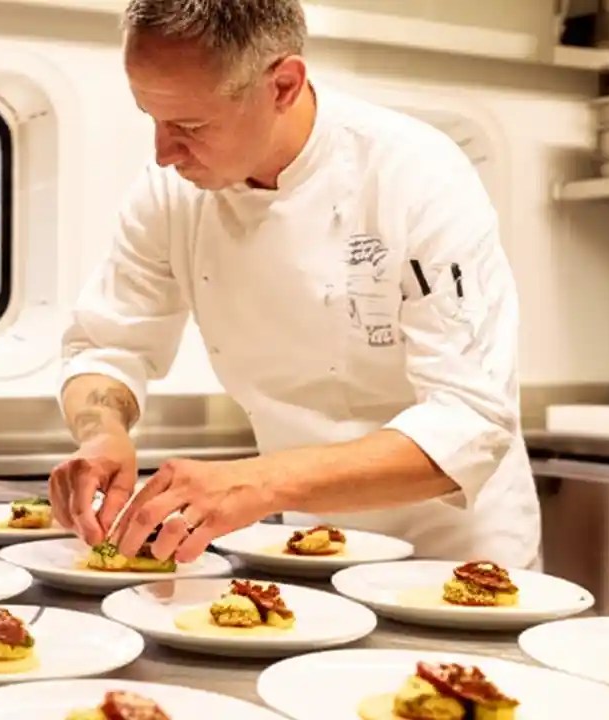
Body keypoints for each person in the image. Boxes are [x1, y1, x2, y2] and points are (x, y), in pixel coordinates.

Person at [47, 0, 542, 570]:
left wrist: (255, 483)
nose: (162, 153)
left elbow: (471, 422)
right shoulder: (170, 193)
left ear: (282, 84)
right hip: (312, 540)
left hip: (455, 549)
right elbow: (108, 346)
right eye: (151, 118)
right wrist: (101, 432)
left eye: (190, 126)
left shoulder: (417, 174)